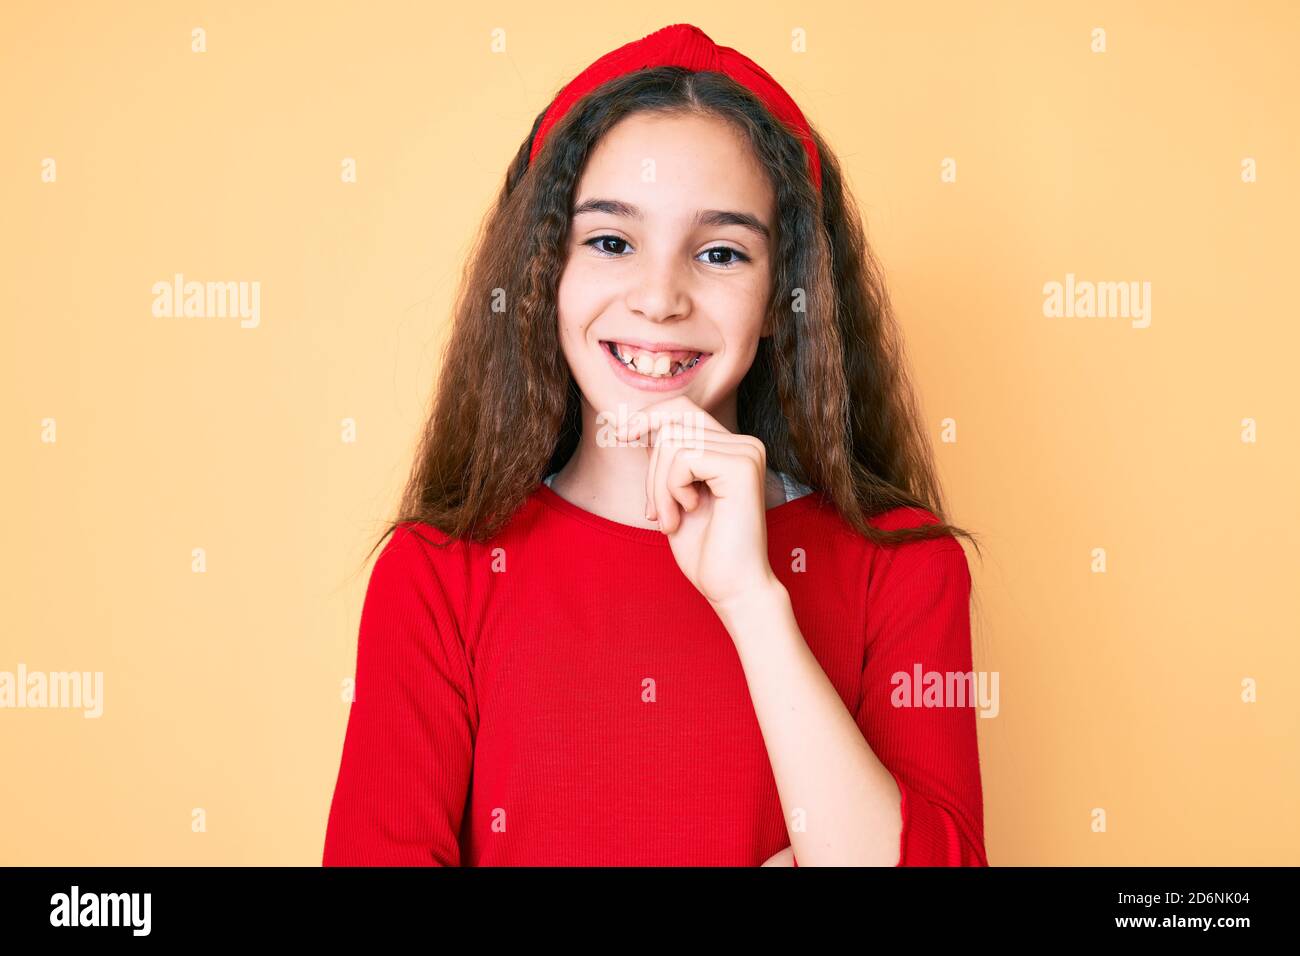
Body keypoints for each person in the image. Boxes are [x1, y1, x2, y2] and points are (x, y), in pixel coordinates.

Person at [322, 23, 988, 867]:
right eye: (611, 242)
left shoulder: (903, 568)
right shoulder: (436, 578)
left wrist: (752, 603)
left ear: (783, 298)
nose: (660, 297)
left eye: (721, 252)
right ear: (544, 273)